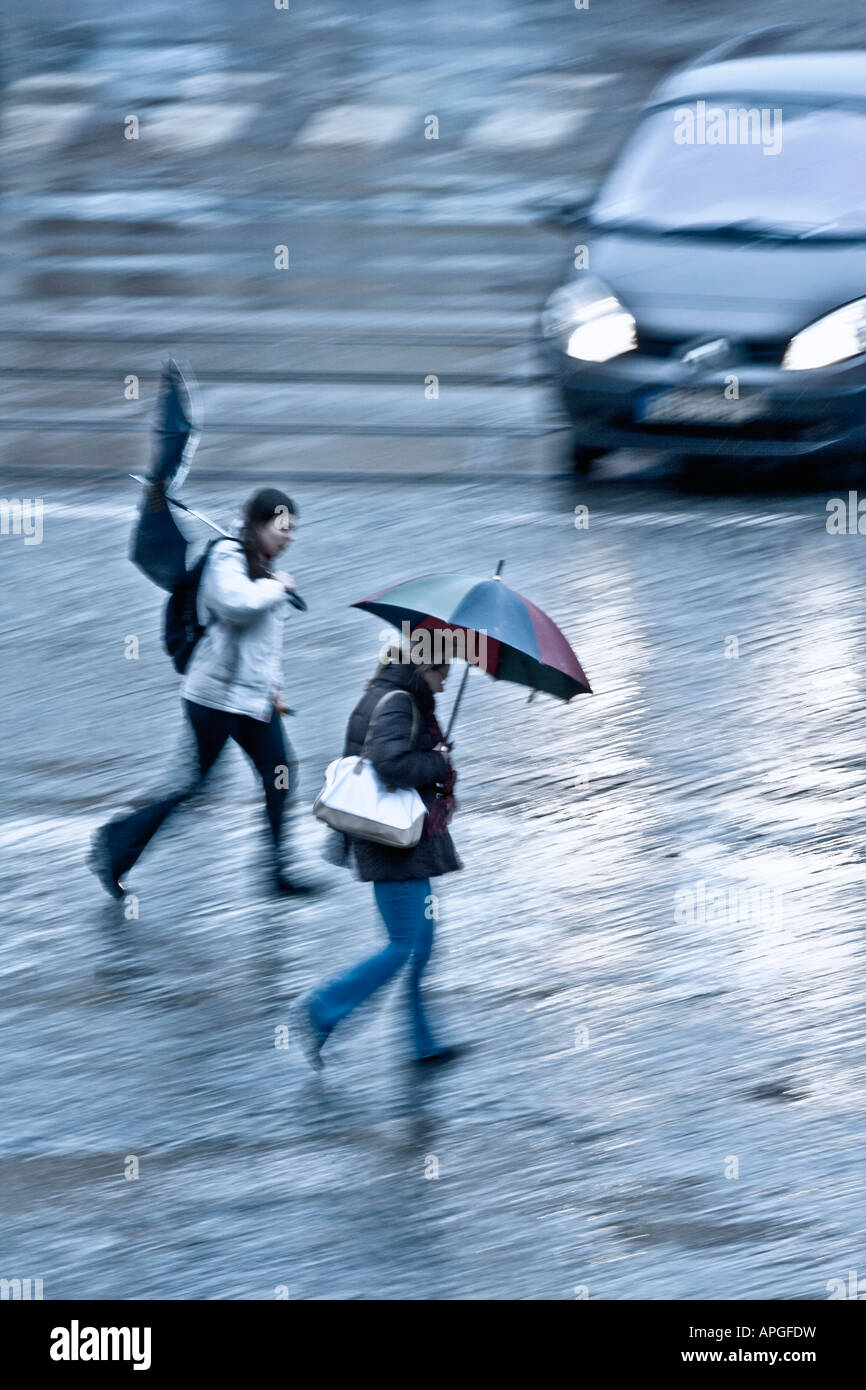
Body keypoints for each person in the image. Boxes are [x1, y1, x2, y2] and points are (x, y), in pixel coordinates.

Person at [89, 487, 315, 898]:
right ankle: (114, 845)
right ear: (258, 526)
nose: (290, 536)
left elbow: (265, 641)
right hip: (213, 698)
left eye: (293, 529)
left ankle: (277, 872)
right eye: (283, 527)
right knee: (193, 785)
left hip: (253, 698)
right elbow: (235, 605)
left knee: (280, 776)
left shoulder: (258, 564)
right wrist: (277, 586)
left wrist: (274, 687)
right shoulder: (225, 558)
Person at [294, 639, 463, 1067]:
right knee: (404, 945)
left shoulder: (391, 694)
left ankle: (422, 1041)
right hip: (392, 840)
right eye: (442, 675)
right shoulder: (400, 702)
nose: (443, 687)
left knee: (419, 945)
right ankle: (322, 1008)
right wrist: (437, 762)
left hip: (399, 838)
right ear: (425, 668)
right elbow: (390, 763)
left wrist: (433, 756)